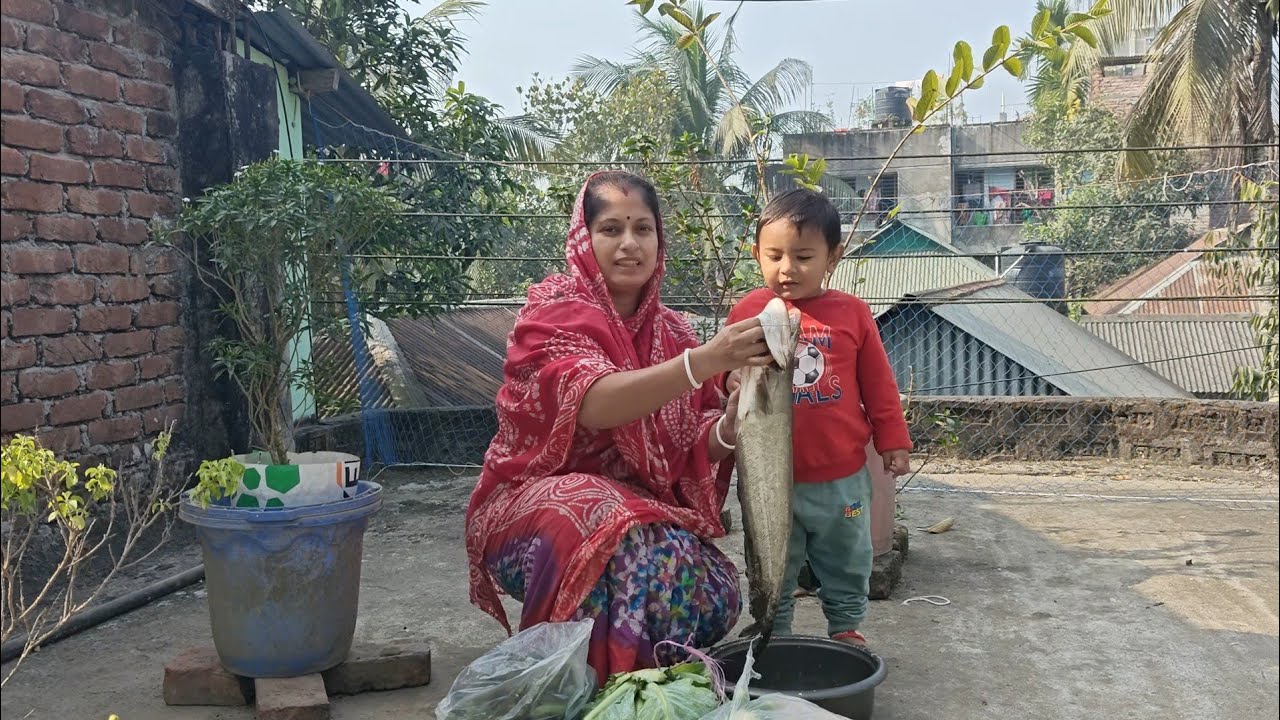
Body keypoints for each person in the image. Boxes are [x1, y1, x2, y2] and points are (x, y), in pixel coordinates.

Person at [465, 170, 774, 685]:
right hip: (532, 515)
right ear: (584, 240)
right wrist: (702, 363)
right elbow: (593, 403)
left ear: (659, 239)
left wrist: (731, 422)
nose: (630, 244)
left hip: (640, 517)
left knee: (717, 592)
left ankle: (629, 678)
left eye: (643, 228)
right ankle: (572, 682)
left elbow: (689, 448)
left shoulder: (675, 332)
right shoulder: (552, 314)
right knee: (598, 514)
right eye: (611, 229)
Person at [722, 187, 913, 648]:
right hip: (771, 482)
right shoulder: (749, 312)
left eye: (804, 256)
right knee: (773, 559)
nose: (787, 268)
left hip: (841, 481)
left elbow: (879, 385)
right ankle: (776, 628)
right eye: (775, 255)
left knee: (847, 553)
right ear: (756, 255)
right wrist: (728, 383)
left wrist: (894, 440)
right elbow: (724, 376)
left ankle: (845, 624)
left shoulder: (852, 313)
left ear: (833, 257)